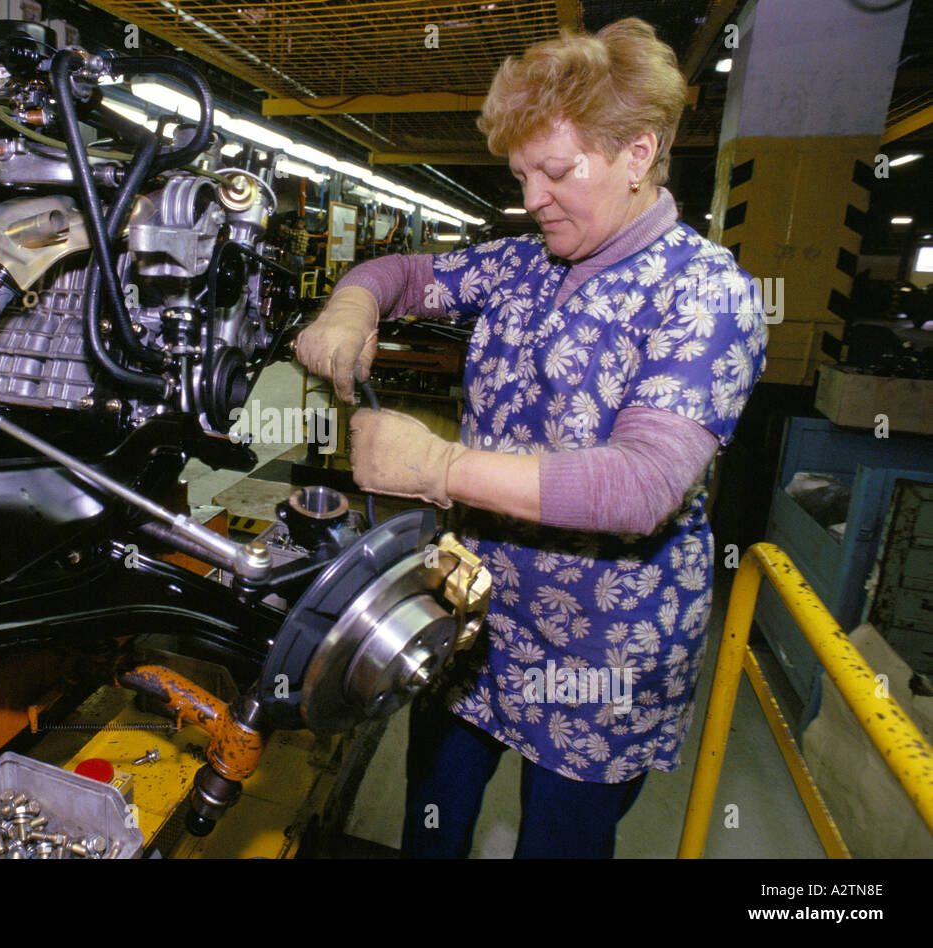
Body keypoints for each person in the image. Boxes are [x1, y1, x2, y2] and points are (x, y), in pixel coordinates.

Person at [295, 18, 768, 858]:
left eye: (555, 171)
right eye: (521, 175)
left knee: (559, 844)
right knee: (432, 819)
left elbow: (640, 486)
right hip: (472, 619)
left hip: (600, 652)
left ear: (636, 154)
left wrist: (436, 465)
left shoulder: (704, 295)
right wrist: (352, 306)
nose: (533, 198)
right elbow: (404, 273)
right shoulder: (525, 263)